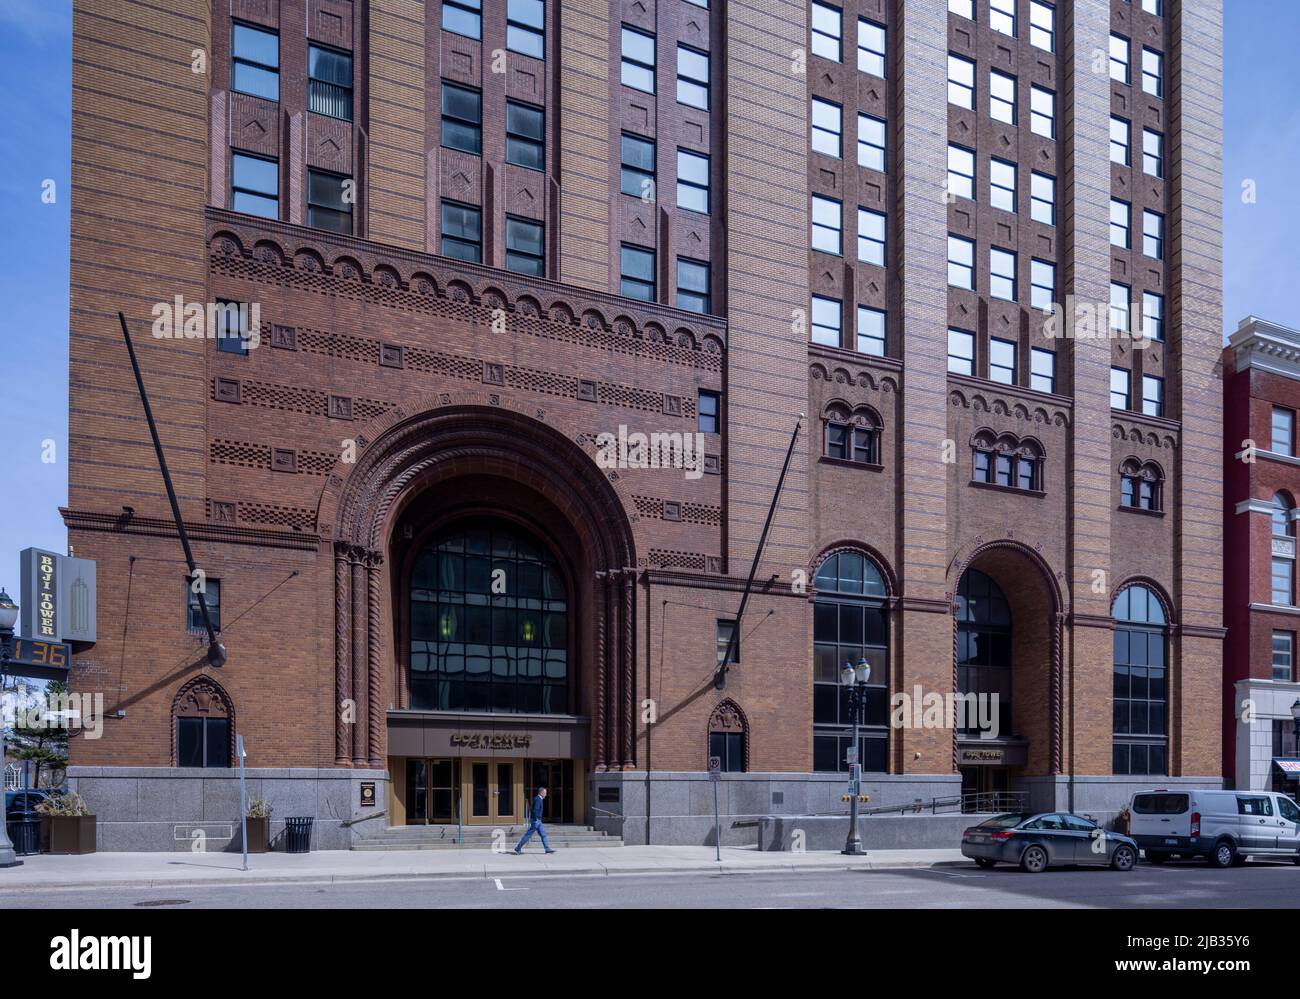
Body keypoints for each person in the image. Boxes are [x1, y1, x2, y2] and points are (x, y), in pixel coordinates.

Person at [513, 785, 556, 854]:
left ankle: (547, 848)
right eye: (545, 793)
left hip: (538, 821)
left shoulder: (539, 799)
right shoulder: (538, 799)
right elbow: (535, 810)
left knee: (543, 834)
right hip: (536, 821)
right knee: (528, 835)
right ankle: (518, 848)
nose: (546, 794)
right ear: (541, 793)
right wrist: (536, 819)